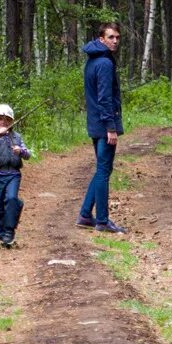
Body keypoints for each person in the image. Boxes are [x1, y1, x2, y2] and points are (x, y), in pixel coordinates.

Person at [76, 21, 126, 234]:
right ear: (101, 39)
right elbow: (104, 98)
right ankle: (103, 220)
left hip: (96, 124)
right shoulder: (104, 63)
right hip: (104, 125)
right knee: (104, 171)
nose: (114, 41)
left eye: (117, 37)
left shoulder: (94, 60)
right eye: (110, 37)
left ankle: (86, 214)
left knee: (102, 170)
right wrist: (111, 127)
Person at [0, 103, 32, 248]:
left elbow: (28, 154)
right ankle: (2, 235)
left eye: (7, 120)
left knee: (11, 199)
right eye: (0, 119)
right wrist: (0, 133)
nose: (4, 122)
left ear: (12, 122)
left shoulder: (17, 137)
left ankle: (9, 232)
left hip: (13, 174)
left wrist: (21, 151)